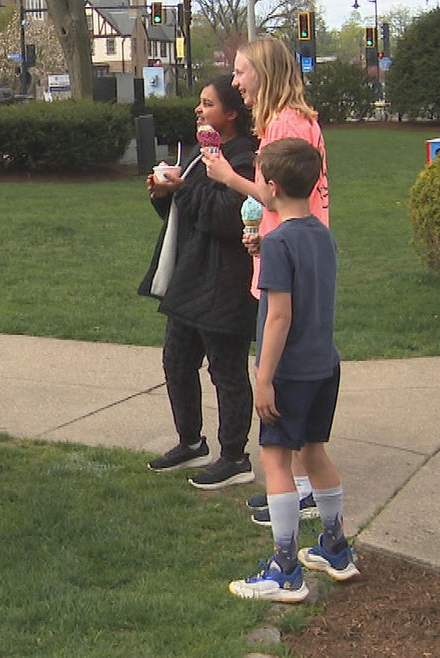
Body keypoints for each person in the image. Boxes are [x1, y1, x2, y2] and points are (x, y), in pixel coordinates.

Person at [202, 36, 330, 518]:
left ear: (265, 73)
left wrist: (226, 176)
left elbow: (277, 195)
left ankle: (299, 491)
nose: (236, 82)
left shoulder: (286, 124)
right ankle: (297, 487)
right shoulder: (291, 120)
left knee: (283, 374)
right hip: (286, 249)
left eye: (241, 72)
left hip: (290, 258)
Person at [227, 137, 358, 603]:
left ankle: (284, 569)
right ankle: (335, 549)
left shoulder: (281, 242)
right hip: (325, 365)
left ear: (272, 186)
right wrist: (266, 248)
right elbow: (303, 265)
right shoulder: (319, 233)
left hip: (289, 371)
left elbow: (278, 315)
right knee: (314, 452)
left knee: (276, 460)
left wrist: (263, 376)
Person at [138, 75, 260, 491]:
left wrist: (185, 188)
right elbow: (189, 213)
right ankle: (190, 441)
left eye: (208, 104)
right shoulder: (202, 153)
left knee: (226, 369)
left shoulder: (243, 158)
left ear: (231, 113)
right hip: (191, 277)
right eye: (199, 103)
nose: (199, 110)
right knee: (176, 360)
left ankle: (234, 455)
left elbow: (229, 215)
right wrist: (163, 194)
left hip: (224, 281)